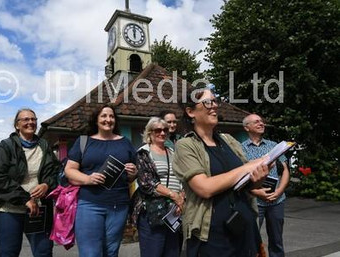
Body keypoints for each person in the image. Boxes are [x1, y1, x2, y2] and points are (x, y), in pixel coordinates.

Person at [172, 85, 271, 257]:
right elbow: (204, 188)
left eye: (215, 101)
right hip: (212, 235)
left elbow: (247, 182)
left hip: (243, 227)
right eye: (208, 102)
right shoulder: (185, 146)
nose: (215, 106)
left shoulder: (228, 140)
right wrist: (246, 168)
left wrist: (259, 175)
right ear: (190, 112)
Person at [0, 108, 59, 257]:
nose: (30, 122)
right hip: (8, 210)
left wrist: (47, 185)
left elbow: (55, 171)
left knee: (43, 252)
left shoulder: (44, 146)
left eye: (33, 119)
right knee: (9, 253)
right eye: (25, 119)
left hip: (38, 209)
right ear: (17, 125)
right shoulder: (5, 147)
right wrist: (25, 199)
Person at [64, 104, 137, 257]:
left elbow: (131, 177)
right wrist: (88, 178)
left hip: (119, 206)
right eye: (103, 116)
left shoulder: (125, 143)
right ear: (96, 120)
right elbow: (69, 170)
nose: (108, 119)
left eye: (111, 116)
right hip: (89, 204)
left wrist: (133, 173)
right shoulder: (84, 142)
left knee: (111, 252)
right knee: (90, 253)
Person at [131, 117, 184, 257]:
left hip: (173, 211)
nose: (162, 133)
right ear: (149, 133)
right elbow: (147, 183)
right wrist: (174, 195)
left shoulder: (173, 153)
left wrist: (181, 199)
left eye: (165, 130)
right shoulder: (143, 153)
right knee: (152, 252)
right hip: (151, 210)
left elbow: (183, 178)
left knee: (172, 252)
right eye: (158, 130)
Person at [242, 114, 290, 257]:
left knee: (277, 240)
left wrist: (280, 191)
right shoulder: (240, 149)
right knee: (252, 240)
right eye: (256, 122)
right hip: (254, 201)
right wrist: (256, 191)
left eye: (261, 121)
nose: (261, 123)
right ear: (246, 127)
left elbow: (286, 170)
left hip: (277, 201)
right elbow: (239, 176)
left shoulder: (273, 146)